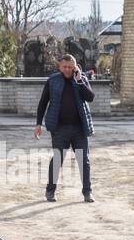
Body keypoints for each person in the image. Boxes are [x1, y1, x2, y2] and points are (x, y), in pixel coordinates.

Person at [34, 54, 95, 202]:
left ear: (75, 66)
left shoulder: (81, 79)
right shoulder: (53, 81)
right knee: (57, 159)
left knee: (83, 161)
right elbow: (43, 102)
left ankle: (87, 192)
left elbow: (90, 97)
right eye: (65, 67)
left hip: (79, 129)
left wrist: (79, 80)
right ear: (60, 67)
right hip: (59, 129)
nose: (67, 70)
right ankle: (50, 191)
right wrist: (38, 124)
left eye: (70, 67)